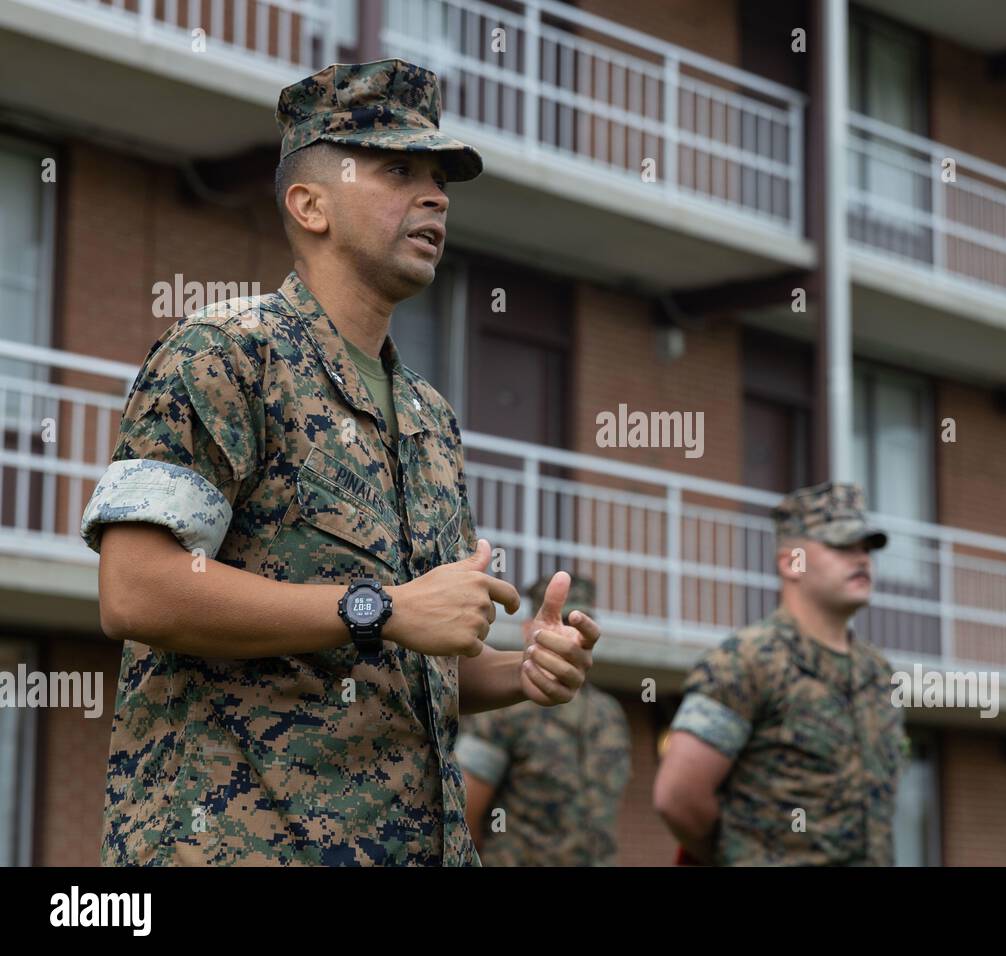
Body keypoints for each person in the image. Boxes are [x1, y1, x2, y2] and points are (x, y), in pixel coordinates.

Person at [80, 59, 600, 866]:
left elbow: (411, 664)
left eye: (439, 178)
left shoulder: (430, 418)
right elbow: (134, 588)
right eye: (399, 170)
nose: (435, 197)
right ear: (310, 203)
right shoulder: (226, 354)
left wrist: (522, 671)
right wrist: (380, 607)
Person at [653, 481, 906, 865]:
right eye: (841, 546)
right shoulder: (748, 660)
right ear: (792, 563)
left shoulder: (878, 673)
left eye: (866, 548)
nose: (861, 559)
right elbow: (678, 798)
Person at [457, 577, 631, 865]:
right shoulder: (504, 710)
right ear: (528, 629)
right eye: (560, 623)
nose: (569, 636)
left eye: (580, 624)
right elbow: (466, 813)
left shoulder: (610, 714)